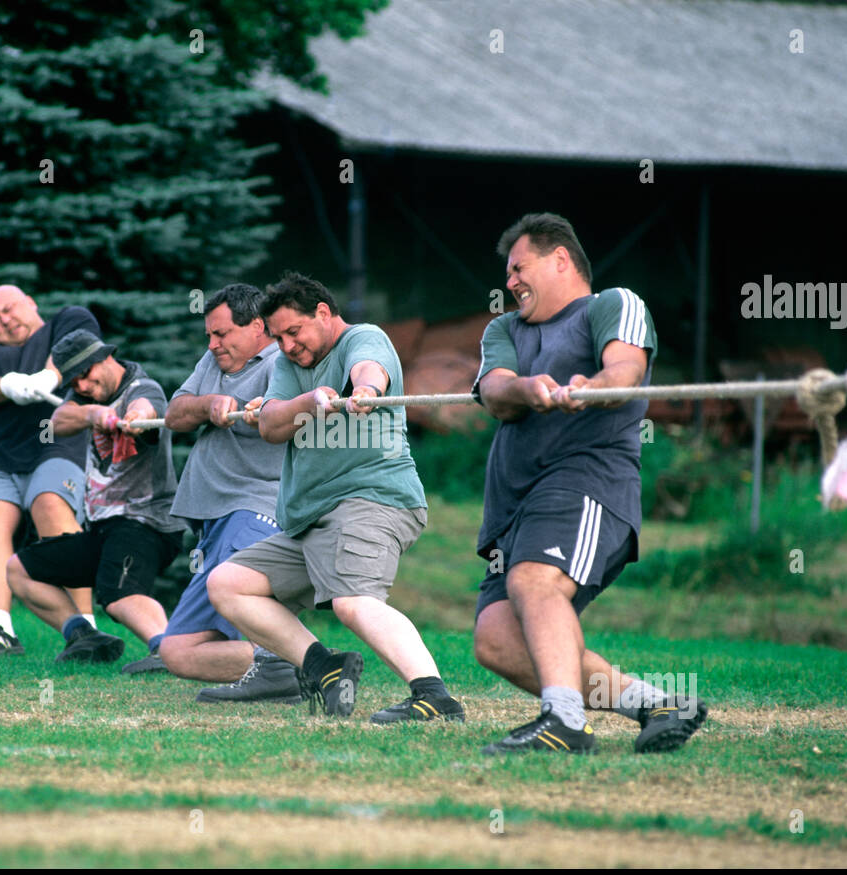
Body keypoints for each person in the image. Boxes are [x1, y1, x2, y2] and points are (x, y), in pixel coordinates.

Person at [472, 212, 707, 755]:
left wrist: (591, 386)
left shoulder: (612, 304)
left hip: (585, 483)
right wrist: (527, 387)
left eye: (518, 268)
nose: (509, 283)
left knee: (536, 582)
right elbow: (495, 392)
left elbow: (624, 371)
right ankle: (659, 705)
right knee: (498, 640)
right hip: (513, 509)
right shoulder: (502, 329)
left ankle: (564, 724)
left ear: (560, 259)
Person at [207, 272, 463, 723]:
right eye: (278, 337)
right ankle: (325, 668)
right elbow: (270, 427)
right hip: (312, 520)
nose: (286, 346)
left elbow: (371, 367)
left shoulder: (365, 338)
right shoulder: (291, 364)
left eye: (294, 332)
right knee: (227, 584)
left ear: (323, 314)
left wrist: (365, 389)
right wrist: (308, 400)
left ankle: (434, 698)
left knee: (353, 601)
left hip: (372, 500)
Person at [149, 283, 300, 702]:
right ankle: (306, 665)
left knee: (242, 598)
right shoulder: (214, 360)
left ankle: (300, 666)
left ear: (257, 326)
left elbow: (292, 421)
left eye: (221, 334)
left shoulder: (282, 365)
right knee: (177, 651)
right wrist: (209, 403)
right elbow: (175, 415)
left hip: (252, 511)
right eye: (209, 335)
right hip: (212, 518)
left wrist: (263, 412)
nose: (213, 344)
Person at [4, 330, 187, 662]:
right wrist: (94, 414)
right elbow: (58, 421)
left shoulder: (142, 388)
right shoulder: (86, 398)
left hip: (146, 524)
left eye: (86, 375)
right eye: (74, 383)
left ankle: (169, 651)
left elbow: (146, 408)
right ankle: (85, 637)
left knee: (117, 595)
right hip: (101, 529)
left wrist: (136, 419)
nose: (83, 387)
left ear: (105, 358)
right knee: (19, 569)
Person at [0, 285, 97, 656]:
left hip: (57, 442)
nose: (3, 320)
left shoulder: (66, 321)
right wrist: (6, 385)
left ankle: (87, 629)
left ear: (31, 303)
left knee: (51, 503)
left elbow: (81, 341)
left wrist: (49, 377)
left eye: (8, 309)